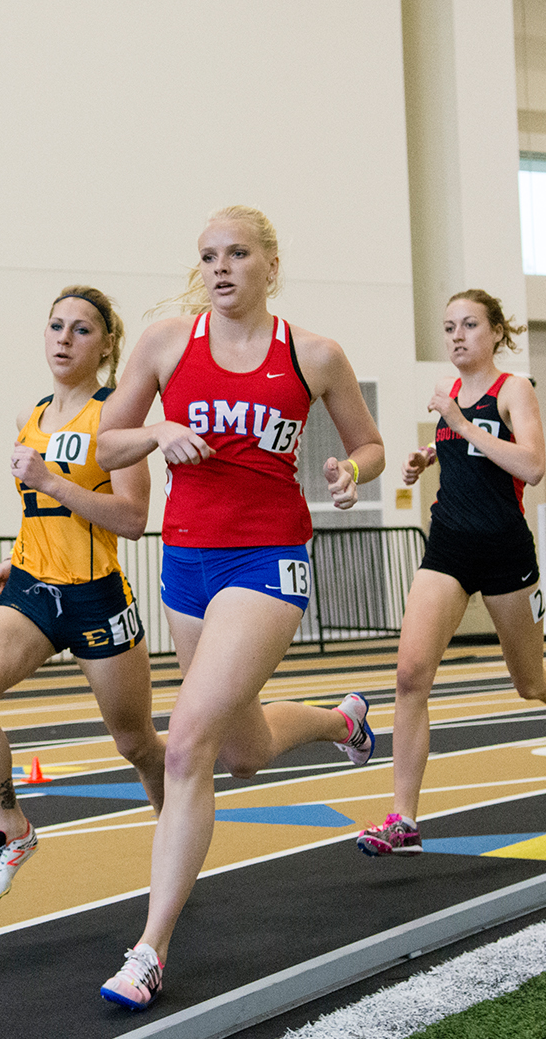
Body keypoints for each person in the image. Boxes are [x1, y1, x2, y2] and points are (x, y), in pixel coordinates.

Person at [92, 205, 385, 1010]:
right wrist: (157, 433)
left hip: (269, 559)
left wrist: (351, 474)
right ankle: (342, 722)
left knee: (185, 742)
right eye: (208, 256)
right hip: (186, 560)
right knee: (242, 751)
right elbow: (101, 443)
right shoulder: (164, 344)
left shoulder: (313, 354)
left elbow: (369, 444)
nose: (221, 268)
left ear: (268, 264)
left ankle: (149, 950)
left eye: (237, 254)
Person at [356, 289, 546, 859]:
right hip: (448, 545)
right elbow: (468, 455)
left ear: (495, 331)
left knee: (528, 681)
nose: (457, 336)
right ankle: (405, 820)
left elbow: (533, 466)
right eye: (449, 328)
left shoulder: (513, 389)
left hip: (504, 551)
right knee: (410, 675)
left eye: (469, 325)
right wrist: (431, 455)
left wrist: (461, 427)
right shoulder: (451, 396)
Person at [0, 285, 166, 907]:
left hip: (97, 599)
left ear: (107, 344)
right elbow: (38, 512)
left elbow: (132, 518)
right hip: (32, 592)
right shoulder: (31, 416)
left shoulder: (115, 419)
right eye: (56, 326)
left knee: (137, 743)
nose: (64, 339)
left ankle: (173, 830)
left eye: (81, 330)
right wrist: (11, 559)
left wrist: (49, 480)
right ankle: (12, 831)